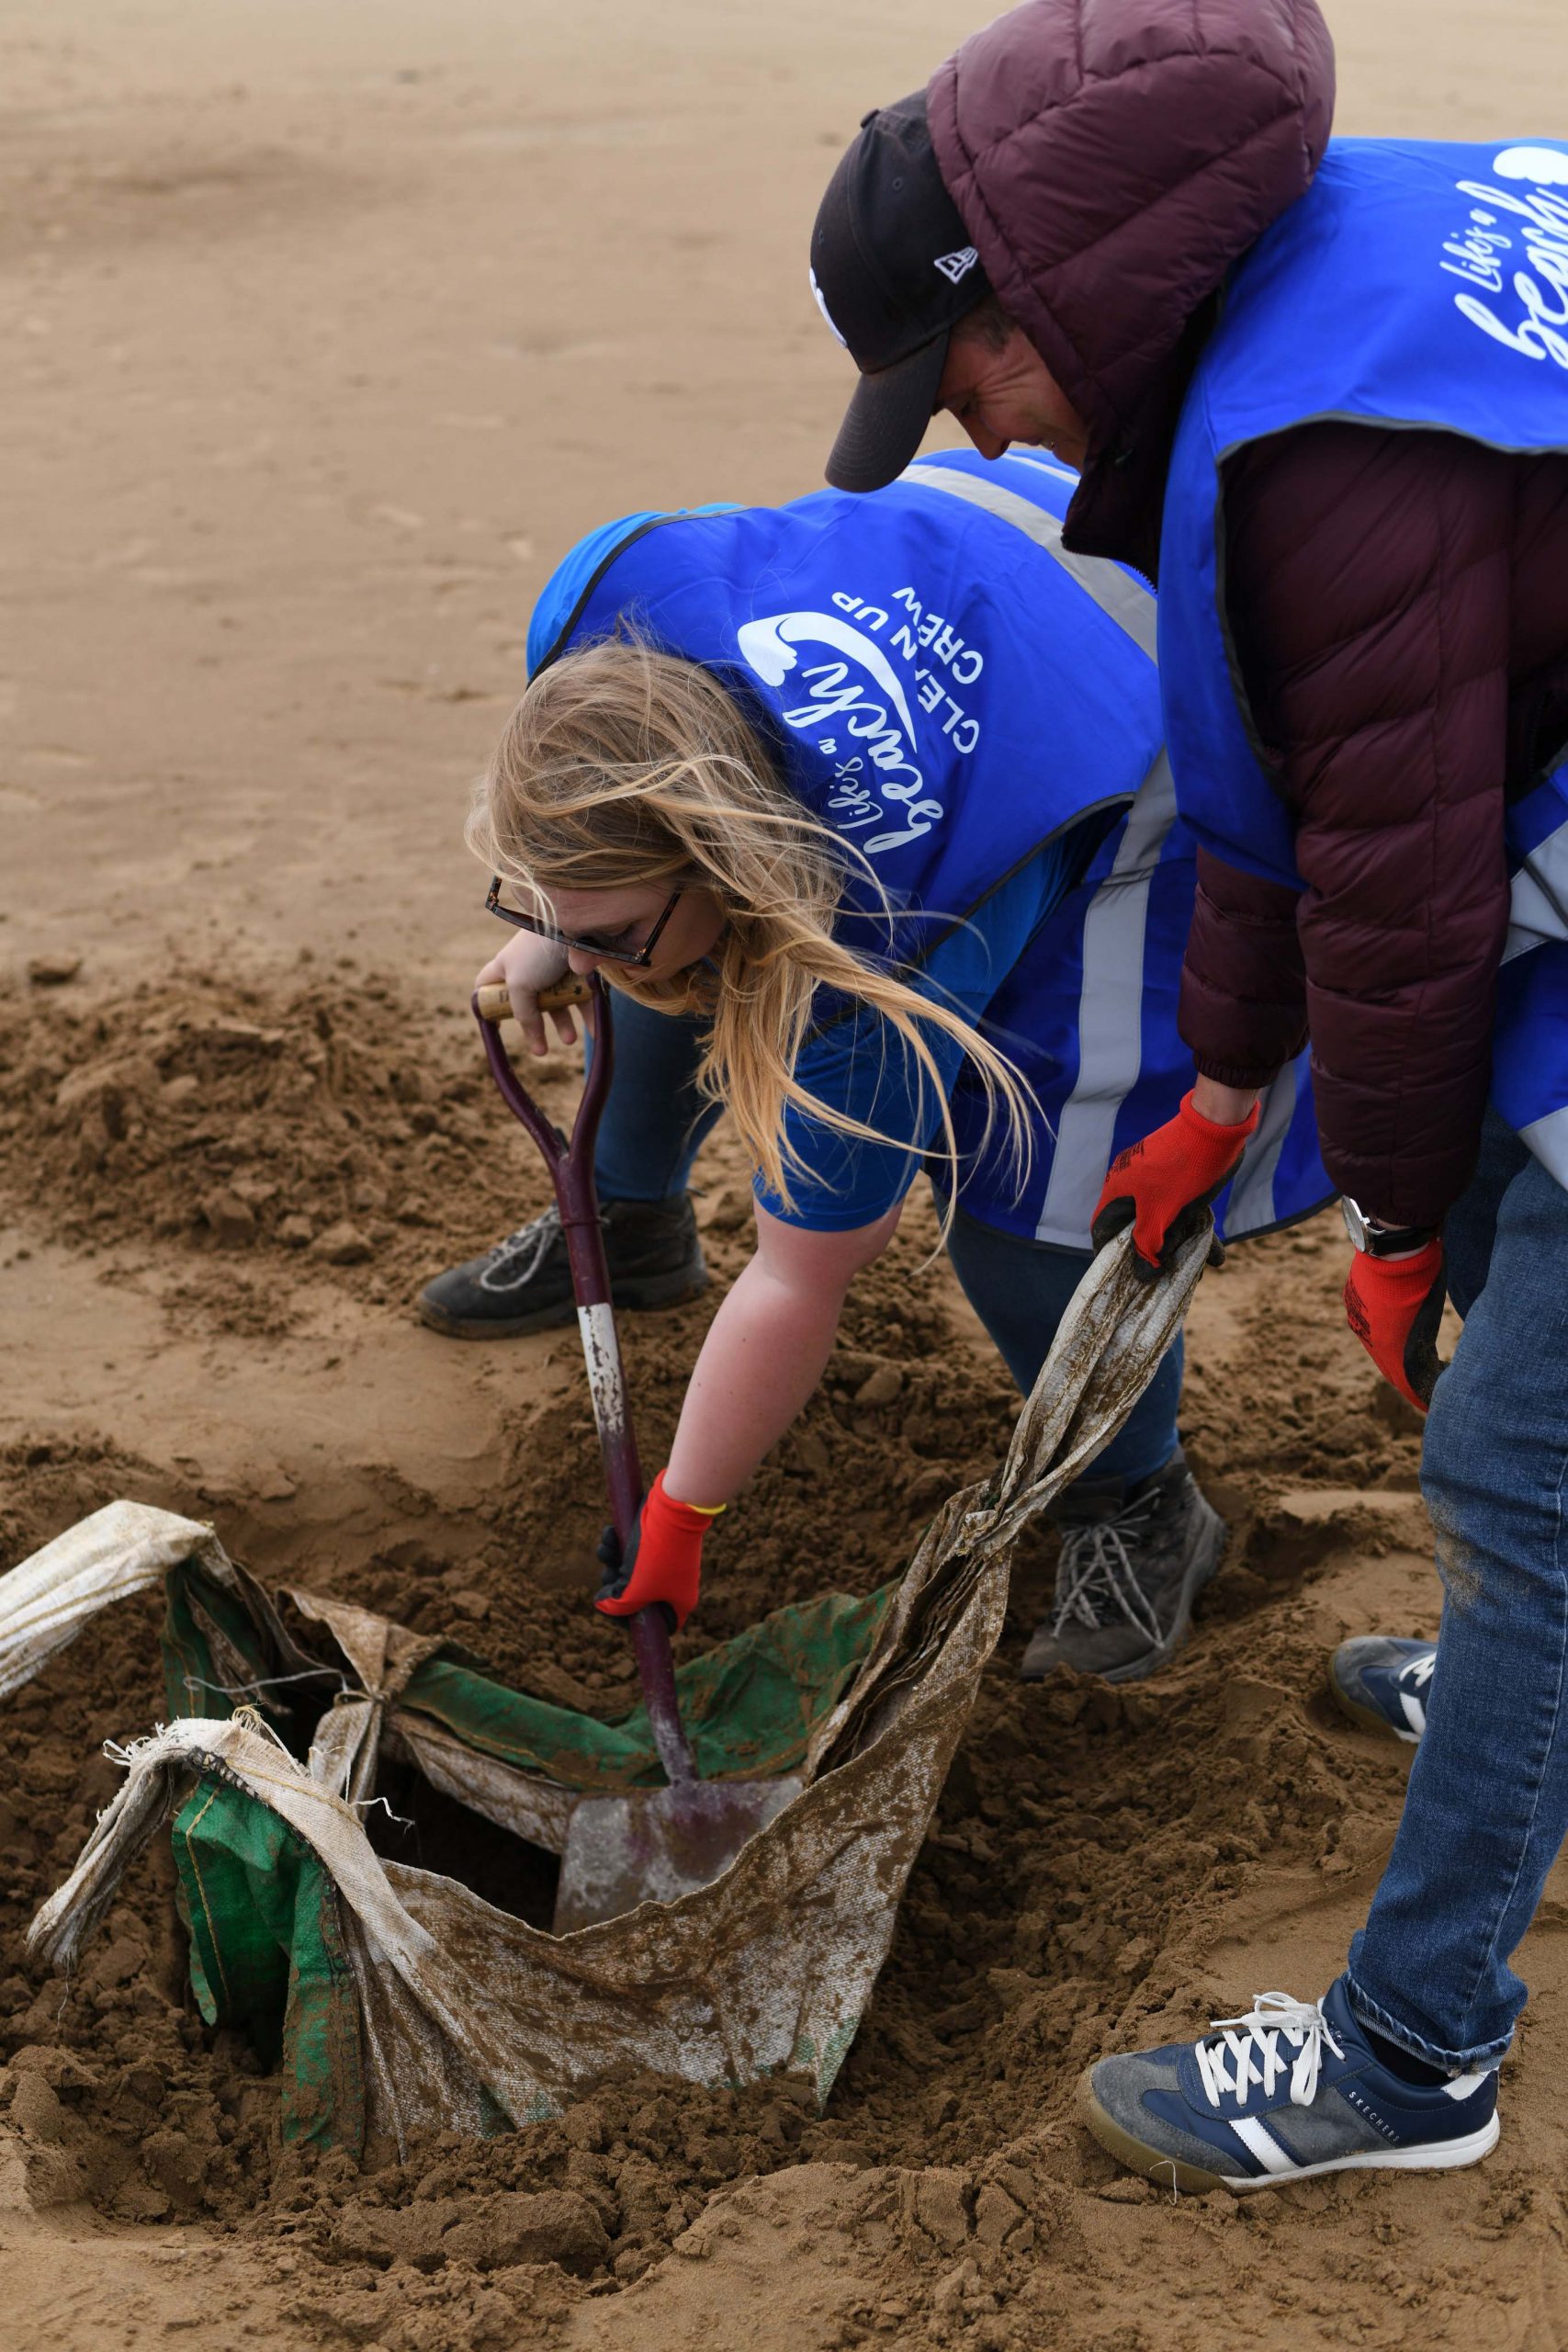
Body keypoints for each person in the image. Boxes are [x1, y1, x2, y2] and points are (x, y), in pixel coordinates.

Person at [807, 0, 1568, 2188]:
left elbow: (1406, 914)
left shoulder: (1318, 460)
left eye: (962, 374)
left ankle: (1410, 2057)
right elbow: (1287, 811)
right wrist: (1227, 1085)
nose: (973, 423)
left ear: (1057, 288)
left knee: (1517, 1475)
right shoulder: (1344, 247)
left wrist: (1404, 1220)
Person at [436, 448, 1329, 1683]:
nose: (574, 942)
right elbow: (619, 841)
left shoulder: (888, 954)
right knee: (662, 964)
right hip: (969, 546)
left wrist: (683, 1515)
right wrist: (560, 927)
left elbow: (801, 1281)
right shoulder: (603, 613)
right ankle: (633, 1231)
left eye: (597, 916)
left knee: (1027, 1197)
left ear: (734, 857)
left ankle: (1139, 1500)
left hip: (1140, 707)